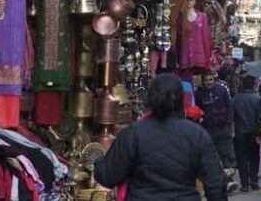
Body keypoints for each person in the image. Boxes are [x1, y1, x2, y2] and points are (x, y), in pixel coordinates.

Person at [94, 74, 227, 201]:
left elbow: (108, 176)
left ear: (151, 98)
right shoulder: (197, 134)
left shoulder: (134, 133)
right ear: (181, 99)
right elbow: (215, 184)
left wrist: (99, 161)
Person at [196, 71, 238, 193]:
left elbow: (229, 107)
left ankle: (228, 181)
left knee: (225, 155)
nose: (208, 82)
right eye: (206, 80)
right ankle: (222, 182)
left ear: (214, 80)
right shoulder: (198, 94)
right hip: (208, 130)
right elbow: (198, 110)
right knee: (213, 157)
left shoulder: (221, 90)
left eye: (210, 80)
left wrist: (229, 123)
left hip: (223, 128)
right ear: (202, 81)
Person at [233, 74, 261, 192]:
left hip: (240, 132)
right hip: (254, 132)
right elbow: (260, 116)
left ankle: (244, 183)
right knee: (254, 156)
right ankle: (253, 179)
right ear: (254, 84)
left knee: (241, 158)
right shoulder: (258, 99)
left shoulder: (235, 99)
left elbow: (232, 117)